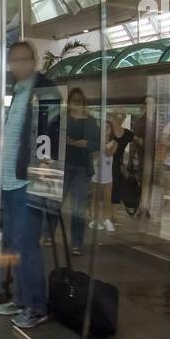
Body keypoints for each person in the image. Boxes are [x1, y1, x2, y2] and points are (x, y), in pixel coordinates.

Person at [0, 40, 60, 330]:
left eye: (22, 59)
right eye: (13, 60)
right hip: (9, 181)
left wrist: (42, 175)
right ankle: (21, 299)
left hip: (29, 182)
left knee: (25, 244)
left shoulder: (46, 90)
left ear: (34, 60)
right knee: (13, 242)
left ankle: (36, 306)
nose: (17, 65)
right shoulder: (18, 92)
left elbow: (51, 134)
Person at [64, 87, 99, 255]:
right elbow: (56, 137)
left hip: (82, 168)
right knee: (56, 203)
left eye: (79, 101)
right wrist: (76, 143)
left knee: (78, 207)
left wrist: (78, 143)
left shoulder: (90, 121)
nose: (76, 104)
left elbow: (95, 143)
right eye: (74, 101)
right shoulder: (63, 119)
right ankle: (47, 234)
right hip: (64, 165)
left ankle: (76, 244)